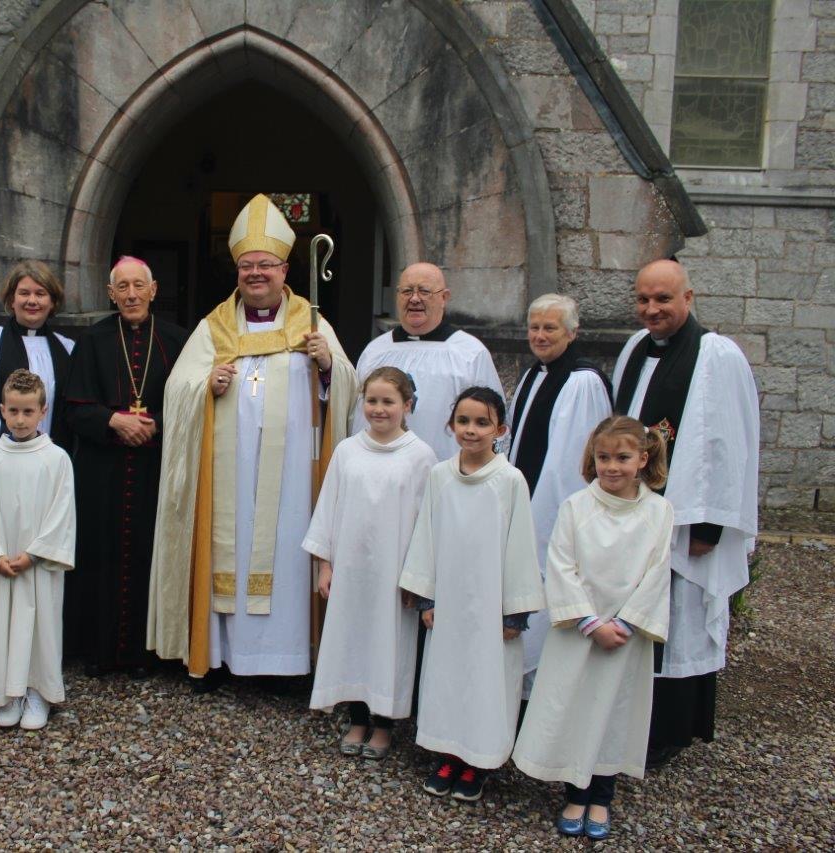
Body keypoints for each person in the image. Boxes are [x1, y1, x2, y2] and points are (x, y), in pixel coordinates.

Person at [148, 193, 358, 689]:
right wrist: (206, 387)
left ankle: (292, 663)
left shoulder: (312, 322)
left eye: (266, 265)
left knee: (290, 556)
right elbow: (176, 392)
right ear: (236, 271)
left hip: (294, 481)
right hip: (231, 473)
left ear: (286, 270)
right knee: (231, 553)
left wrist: (328, 365)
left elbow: (349, 387)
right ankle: (223, 656)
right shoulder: (213, 327)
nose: (256, 274)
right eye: (247, 266)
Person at [611, 259, 759, 764]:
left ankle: (669, 731)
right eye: (644, 300)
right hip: (635, 513)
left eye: (663, 300)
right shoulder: (634, 348)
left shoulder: (717, 356)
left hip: (686, 520)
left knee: (677, 618)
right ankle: (629, 716)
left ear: (688, 298)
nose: (652, 310)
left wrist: (708, 527)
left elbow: (722, 445)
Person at [513, 416, 673, 841]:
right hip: (580, 630)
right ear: (592, 458)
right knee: (576, 708)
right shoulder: (576, 507)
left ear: (643, 458)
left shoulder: (659, 512)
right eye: (603, 457)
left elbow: (658, 571)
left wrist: (623, 622)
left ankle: (602, 796)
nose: (612, 467)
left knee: (613, 711)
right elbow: (560, 564)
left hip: (624, 635)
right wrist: (589, 621)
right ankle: (575, 792)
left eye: (622, 457)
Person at [399, 387, 543, 802]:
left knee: (484, 679)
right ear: (450, 425)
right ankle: (446, 754)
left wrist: (515, 613)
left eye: (482, 422)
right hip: (448, 602)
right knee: (447, 677)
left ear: (500, 428)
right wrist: (427, 598)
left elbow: (520, 544)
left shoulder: (510, 480)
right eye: (463, 421)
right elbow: (427, 534)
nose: (471, 430)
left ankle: (476, 762)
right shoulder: (441, 476)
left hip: (491, 605)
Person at [63, 256, 188, 677]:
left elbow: (194, 406)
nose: (131, 294)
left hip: (155, 472)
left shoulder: (177, 340)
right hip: (102, 473)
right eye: (123, 287)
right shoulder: (92, 341)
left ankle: (144, 654)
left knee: (149, 557)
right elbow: (72, 409)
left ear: (154, 290)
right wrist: (113, 420)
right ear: (110, 292)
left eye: (139, 286)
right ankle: (99, 652)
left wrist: (156, 426)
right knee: (101, 557)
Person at [304, 367, 436, 760]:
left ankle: (384, 724)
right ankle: (356, 716)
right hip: (351, 568)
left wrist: (418, 578)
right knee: (351, 640)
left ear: (407, 406)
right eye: (372, 401)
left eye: (388, 402)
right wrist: (325, 565)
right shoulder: (347, 450)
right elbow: (328, 508)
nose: (379, 409)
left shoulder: (421, 456)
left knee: (387, 644)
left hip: (393, 572)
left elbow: (428, 522)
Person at [506, 294, 613, 695]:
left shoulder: (580, 382)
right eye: (534, 327)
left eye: (550, 327)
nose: (539, 335)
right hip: (524, 507)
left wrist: (535, 523)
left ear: (572, 332)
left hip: (549, 519)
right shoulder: (537, 373)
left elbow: (567, 468)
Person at [0, 370, 76, 731]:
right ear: (2, 410)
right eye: (14, 411)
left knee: (40, 626)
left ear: (43, 411)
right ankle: (8, 694)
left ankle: (38, 692)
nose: (20, 420)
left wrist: (34, 553)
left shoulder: (56, 459)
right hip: (2, 562)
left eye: (28, 412)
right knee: (3, 624)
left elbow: (62, 512)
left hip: (37, 564)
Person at [352, 262, 503, 461]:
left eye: (424, 291)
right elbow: (356, 415)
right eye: (407, 291)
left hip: (445, 474)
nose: (414, 299)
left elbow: (492, 420)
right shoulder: (376, 351)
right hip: (378, 472)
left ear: (444, 297)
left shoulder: (469, 353)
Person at [0, 260, 75, 453]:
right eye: (24, 293)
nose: (32, 301)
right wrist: (15, 437)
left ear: (52, 302)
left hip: (51, 457)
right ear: (12, 299)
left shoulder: (67, 349)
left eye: (41, 294)